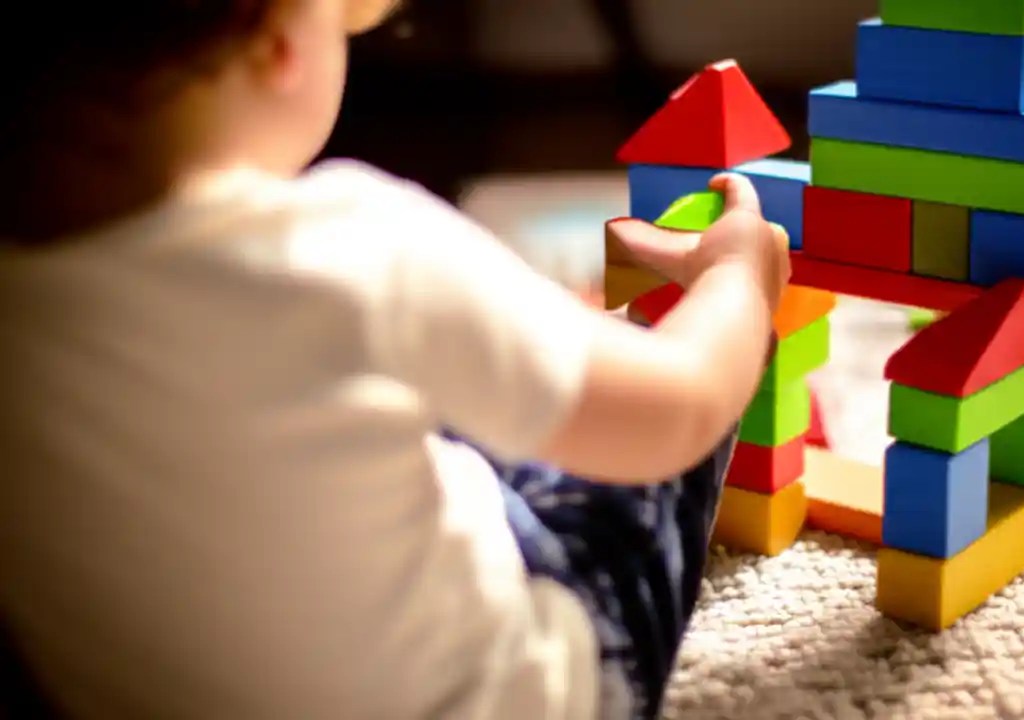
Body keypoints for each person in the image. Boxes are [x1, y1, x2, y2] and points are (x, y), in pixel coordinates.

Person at [0, 1, 792, 719]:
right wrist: (736, 282)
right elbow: (680, 405)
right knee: (644, 423)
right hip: (529, 693)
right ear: (280, 45)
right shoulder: (349, 245)